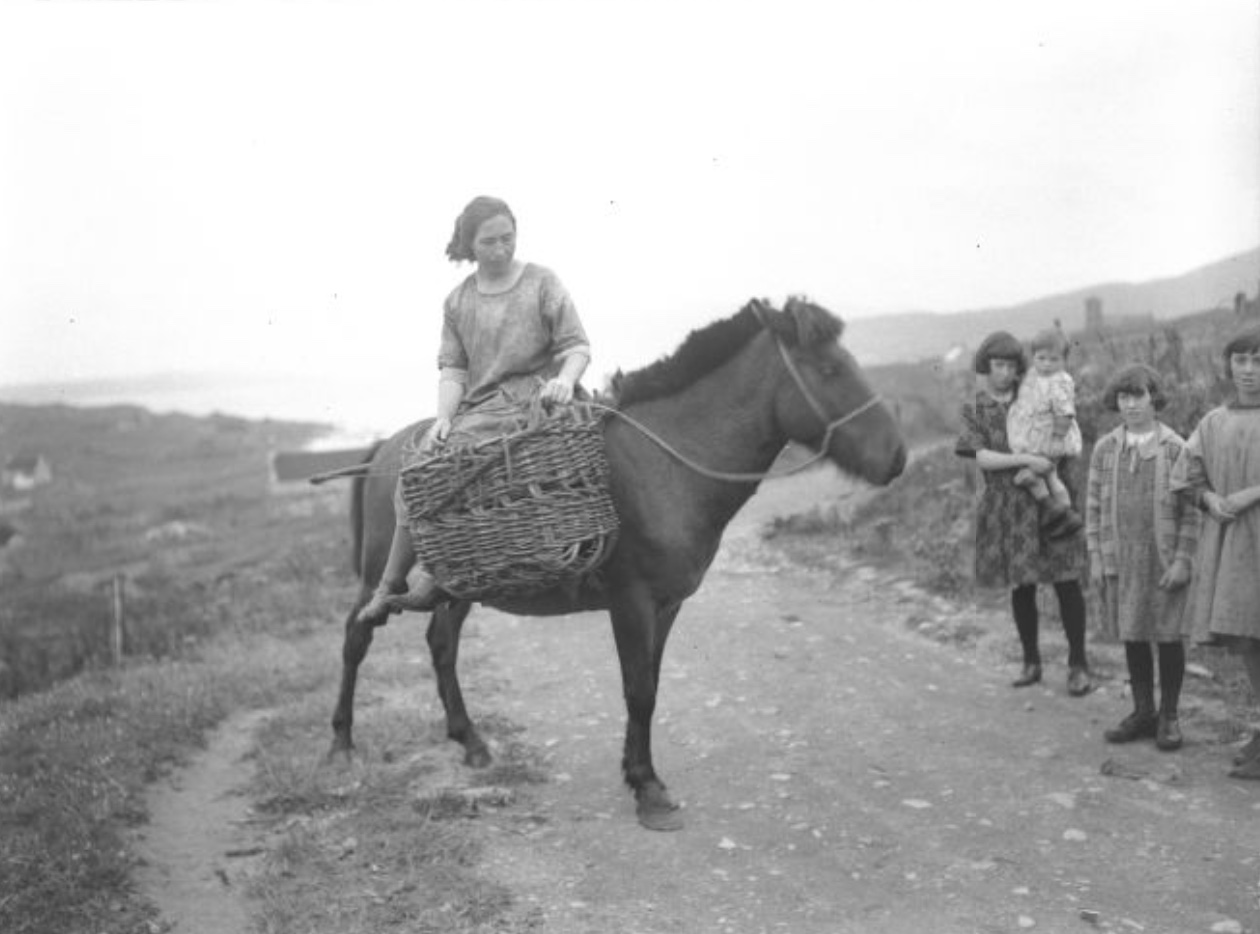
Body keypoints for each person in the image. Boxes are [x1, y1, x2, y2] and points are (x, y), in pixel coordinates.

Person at [357, 195, 592, 622]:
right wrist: (444, 418)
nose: (501, 249)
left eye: (508, 238)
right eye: (489, 242)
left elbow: (576, 346)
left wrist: (565, 379)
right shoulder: (458, 302)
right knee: (419, 469)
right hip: (483, 409)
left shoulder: (542, 282)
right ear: (470, 246)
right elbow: (453, 370)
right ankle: (398, 580)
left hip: (542, 398)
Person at [955, 330, 1092, 696]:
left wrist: (1044, 463)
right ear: (987, 366)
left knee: (1066, 578)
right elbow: (981, 456)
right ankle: (1031, 661)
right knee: (1022, 583)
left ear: (1020, 368)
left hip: (1048, 491)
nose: (1004, 372)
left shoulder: (1035, 394)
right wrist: (1025, 458)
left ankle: (1079, 663)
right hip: (1007, 502)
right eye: (998, 364)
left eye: (1011, 365)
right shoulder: (976, 408)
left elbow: (1062, 431)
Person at [1085, 364, 1198, 751]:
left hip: (1163, 560)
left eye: (1139, 396)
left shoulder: (1175, 448)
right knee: (1132, 633)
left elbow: (1192, 513)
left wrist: (1183, 560)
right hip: (1123, 559)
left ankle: (1169, 715)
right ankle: (1142, 711)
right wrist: (1098, 558)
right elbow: (1094, 507)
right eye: (1124, 397)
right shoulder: (1105, 449)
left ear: (1155, 399)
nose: (1131, 405)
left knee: (1167, 636)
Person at [1170, 323, 1260, 779]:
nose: (1247, 371)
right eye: (1240, 360)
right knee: (1248, 637)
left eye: (1257, 361)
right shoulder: (1214, 422)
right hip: (1233, 550)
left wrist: (1248, 494)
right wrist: (1207, 499)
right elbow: (1187, 474)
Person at [1006, 328, 1084, 538]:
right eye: (1041, 358)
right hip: (1034, 441)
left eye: (1054, 359)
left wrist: (1058, 439)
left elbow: (1065, 413)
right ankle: (1055, 511)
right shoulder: (1033, 375)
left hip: (1049, 440)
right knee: (1043, 475)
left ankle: (1066, 515)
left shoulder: (1060, 381)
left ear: (1064, 361)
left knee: (1045, 474)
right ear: (1033, 358)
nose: (1047, 364)